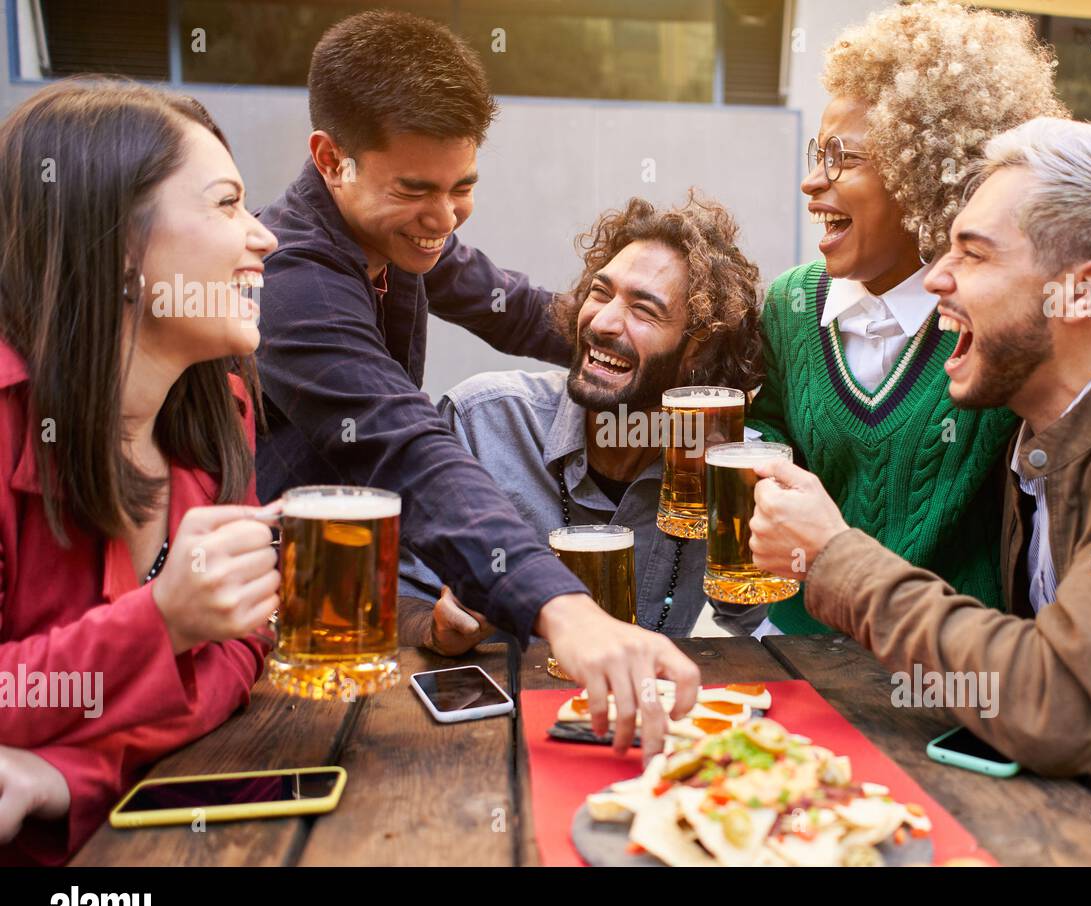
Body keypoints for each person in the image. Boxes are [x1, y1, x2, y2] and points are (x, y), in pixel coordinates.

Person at [748, 118, 1091, 790]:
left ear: (1084, 290)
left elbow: (1058, 703)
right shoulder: (1023, 418)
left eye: (972, 255)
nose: (936, 280)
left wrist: (834, 558)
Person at [746, 1, 1091, 639]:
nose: (812, 181)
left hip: (961, 664)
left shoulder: (1003, 330)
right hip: (807, 649)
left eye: (843, 158)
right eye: (818, 153)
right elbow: (769, 426)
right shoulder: (791, 304)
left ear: (923, 174)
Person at [253, 10, 697, 754]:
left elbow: (519, 309)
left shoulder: (390, 229)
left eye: (464, 185)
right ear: (332, 159)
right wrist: (567, 612)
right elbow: (410, 449)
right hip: (273, 614)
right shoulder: (296, 284)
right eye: (419, 189)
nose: (443, 218)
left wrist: (654, 357)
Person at [0, 80, 282, 862]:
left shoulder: (219, 411)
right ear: (121, 243)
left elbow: (242, 643)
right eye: (227, 205)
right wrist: (160, 624)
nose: (264, 238)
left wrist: (73, 771)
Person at [396, 194, 768, 652]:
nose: (603, 321)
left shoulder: (717, 467)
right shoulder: (484, 421)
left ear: (697, 348)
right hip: (496, 717)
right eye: (600, 292)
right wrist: (434, 629)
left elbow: (750, 614)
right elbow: (398, 601)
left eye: (644, 310)